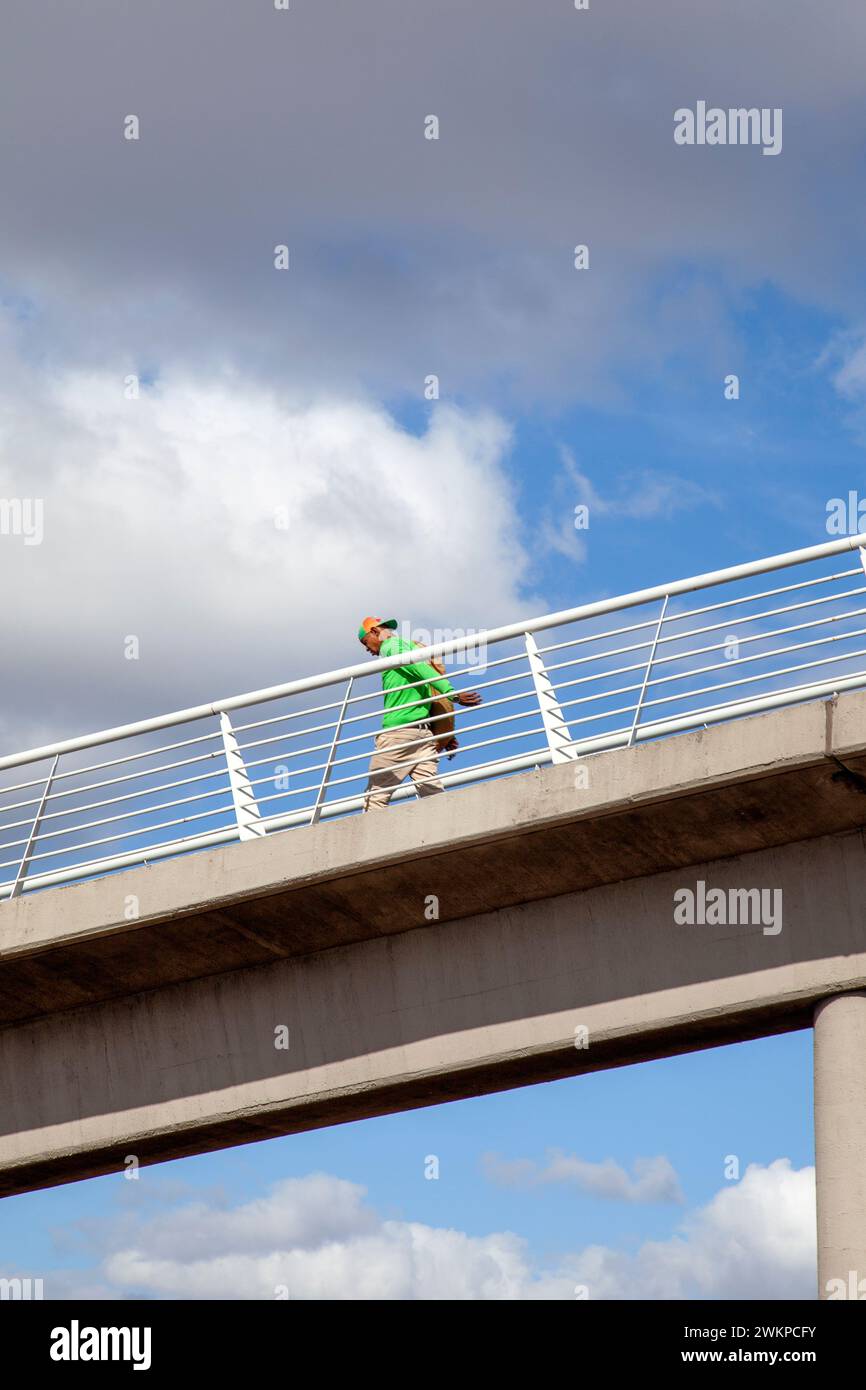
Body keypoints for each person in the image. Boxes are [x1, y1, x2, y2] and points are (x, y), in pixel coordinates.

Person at [357, 616, 482, 811]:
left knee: (375, 798)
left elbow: (421, 670)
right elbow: (429, 687)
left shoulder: (390, 646)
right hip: (422, 736)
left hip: (398, 735)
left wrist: (452, 694)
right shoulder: (410, 646)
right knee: (432, 795)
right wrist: (444, 732)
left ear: (374, 632)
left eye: (365, 643)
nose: (367, 649)